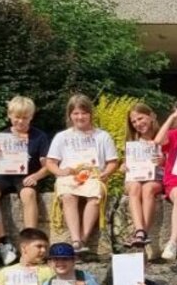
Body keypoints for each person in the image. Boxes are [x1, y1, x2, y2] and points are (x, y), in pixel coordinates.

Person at [47, 93, 123, 252]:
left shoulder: (102, 136)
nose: (80, 117)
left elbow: (113, 162)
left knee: (95, 196)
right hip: (69, 175)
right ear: (70, 115)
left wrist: (106, 173)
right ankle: (75, 239)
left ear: (90, 114)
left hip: (94, 175)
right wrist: (60, 171)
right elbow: (50, 162)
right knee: (68, 195)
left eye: (83, 113)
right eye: (75, 113)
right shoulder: (62, 137)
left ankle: (83, 239)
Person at [0, 95, 53, 237]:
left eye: (25, 117)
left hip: (27, 176)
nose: (20, 121)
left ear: (31, 117)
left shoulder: (39, 136)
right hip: (5, 176)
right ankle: (1, 238)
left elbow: (48, 166)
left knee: (28, 193)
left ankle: (30, 237)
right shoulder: (2, 135)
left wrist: (36, 176)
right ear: (9, 115)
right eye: (17, 117)